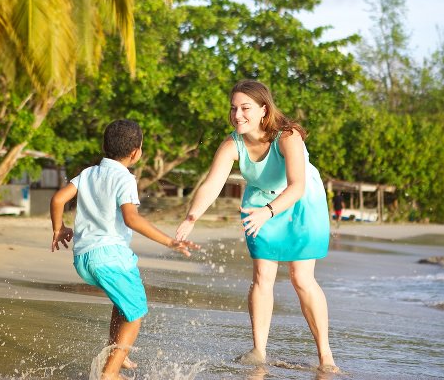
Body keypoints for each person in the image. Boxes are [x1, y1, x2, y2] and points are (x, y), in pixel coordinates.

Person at [175, 80, 337, 372]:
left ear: (264, 110)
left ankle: (326, 357)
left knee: (301, 278)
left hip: (300, 202)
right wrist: (191, 217)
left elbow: (297, 186)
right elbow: (212, 184)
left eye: (245, 108)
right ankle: (259, 350)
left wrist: (268, 212)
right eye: (233, 108)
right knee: (262, 275)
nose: (237, 115)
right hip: (260, 201)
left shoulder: (288, 136)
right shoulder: (232, 144)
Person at [50, 119, 198, 380]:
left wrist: (58, 228)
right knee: (136, 313)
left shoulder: (88, 173)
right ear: (136, 152)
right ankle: (110, 373)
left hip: (84, 257)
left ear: (105, 146)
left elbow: (58, 198)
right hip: (111, 257)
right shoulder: (125, 178)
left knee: (122, 303)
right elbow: (131, 218)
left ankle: (116, 351)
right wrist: (169, 241)